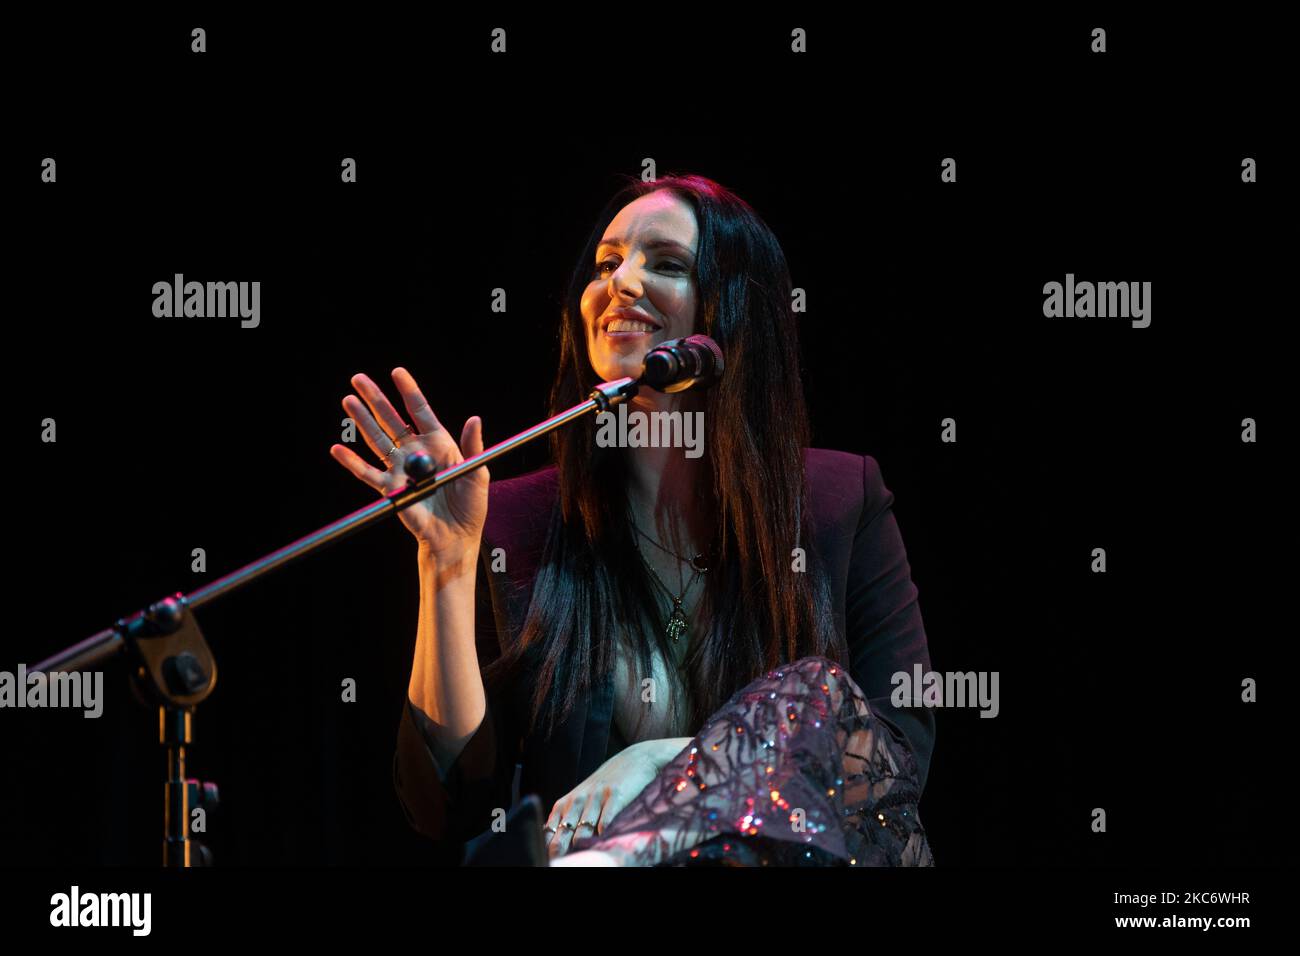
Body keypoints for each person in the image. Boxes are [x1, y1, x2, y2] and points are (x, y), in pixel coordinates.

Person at [330, 174, 935, 866]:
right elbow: (451, 805)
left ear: (733, 312)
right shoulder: (518, 523)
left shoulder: (837, 503)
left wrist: (663, 762)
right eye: (607, 262)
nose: (620, 282)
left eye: (666, 263)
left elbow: (891, 752)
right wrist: (447, 561)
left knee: (813, 692)